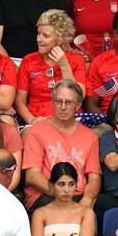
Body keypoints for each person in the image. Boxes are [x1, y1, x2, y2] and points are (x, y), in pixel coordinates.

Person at [21, 79, 101, 211]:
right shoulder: (36, 132)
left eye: (68, 102)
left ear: (78, 105)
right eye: (59, 101)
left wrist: (87, 200)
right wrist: (64, 198)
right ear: (52, 102)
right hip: (46, 194)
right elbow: (32, 177)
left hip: (79, 197)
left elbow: (94, 178)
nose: (63, 107)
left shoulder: (90, 136)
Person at [16, 10, 87, 125]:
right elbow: (19, 101)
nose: (39, 39)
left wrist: (64, 65)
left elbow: (79, 97)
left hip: (69, 120)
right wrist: (31, 120)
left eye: (46, 36)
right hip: (37, 120)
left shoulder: (76, 59)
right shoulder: (28, 60)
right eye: (38, 34)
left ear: (60, 38)